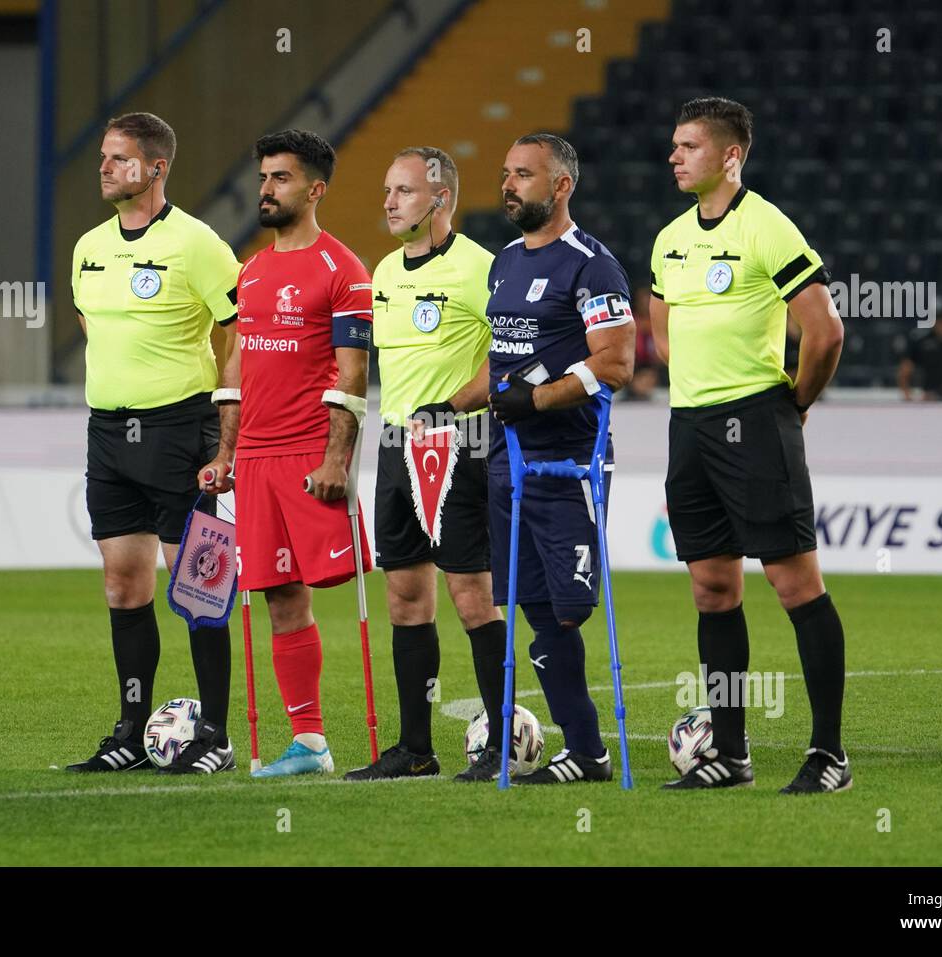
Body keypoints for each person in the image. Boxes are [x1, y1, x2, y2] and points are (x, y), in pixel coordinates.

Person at [648, 97, 851, 793]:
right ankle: (730, 755)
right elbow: (660, 320)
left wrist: (795, 403)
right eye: (674, 145)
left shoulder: (766, 225)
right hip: (689, 427)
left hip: (758, 423)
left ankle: (829, 755)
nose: (675, 156)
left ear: (730, 155)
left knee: (795, 585)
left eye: (689, 146)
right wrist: (694, 374)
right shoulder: (669, 238)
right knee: (712, 589)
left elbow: (825, 330)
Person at [66, 112, 242, 775]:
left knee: (198, 587)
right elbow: (93, 322)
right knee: (122, 584)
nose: (105, 167)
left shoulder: (197, 244)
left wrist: (225, 426)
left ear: (156, 167)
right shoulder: (88, 246)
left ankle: (216, 735)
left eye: (119, 158)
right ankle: (130, 732)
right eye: (104, 157)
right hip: (108, 434)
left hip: (180, 431)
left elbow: (241, 329)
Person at [201, 129, 374, 778]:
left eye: (281, 178)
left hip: (309, 453)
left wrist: (336, 460)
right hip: (255, 460)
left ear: (315, 188)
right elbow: (236, 370)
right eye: (263, 178)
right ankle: (310, 742)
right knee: (279, 597)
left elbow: (353, 376)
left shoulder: (343, 270)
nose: (266, 189)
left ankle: (408, 737)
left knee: (344, 589)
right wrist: (226, 454)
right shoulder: (251, 271)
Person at [342, 146, 506, 782]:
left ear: (440, 199)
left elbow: (509, 352)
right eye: (388, 189)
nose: (388, 201)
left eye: (403, 191)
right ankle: (415, 749)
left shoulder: (481, 267)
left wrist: (455, 405)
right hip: (395, 444)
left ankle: (498, 743)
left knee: (472, 595)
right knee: (406, 597)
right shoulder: (384, 271)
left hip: (461, 442)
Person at [484, 133, 636, 785]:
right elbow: (501, 363)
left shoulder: (591, 266)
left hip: (568, 461)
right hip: (508, 458)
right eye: (506, 173)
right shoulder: (503, 262)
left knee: (569, 608)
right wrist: (444, 408)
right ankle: (587, 751)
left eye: (523, 174)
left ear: (562, 185)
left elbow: (618, 362)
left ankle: (588, 750)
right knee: (534, 609)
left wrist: (539, 399)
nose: (508, 185)